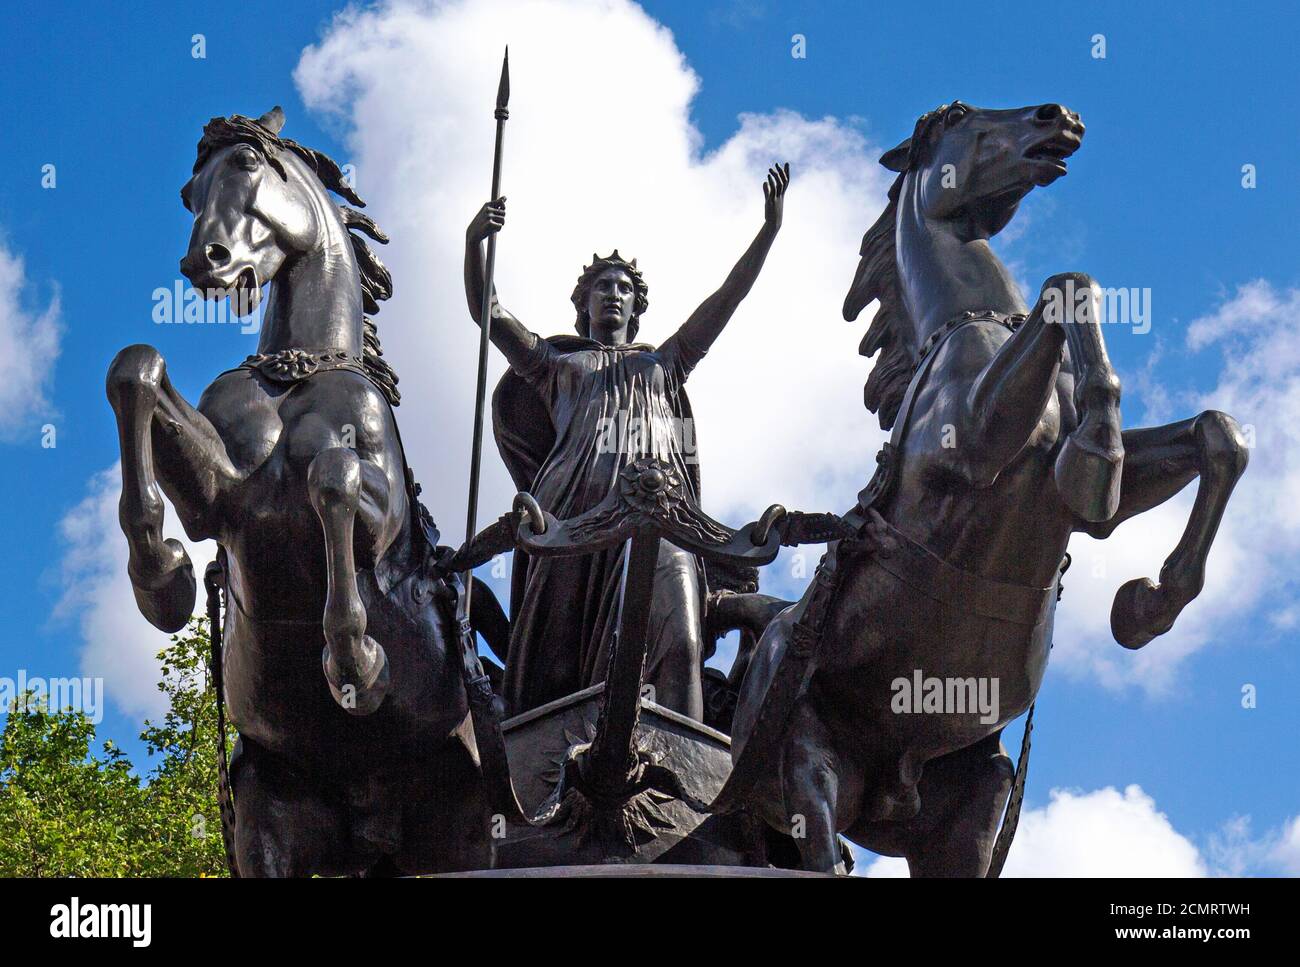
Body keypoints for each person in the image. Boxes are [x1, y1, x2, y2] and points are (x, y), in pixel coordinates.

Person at [464, 162, 790, 720]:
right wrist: (474, 242)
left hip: (661, 517)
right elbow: (488, 313)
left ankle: (680, 763)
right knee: (552, 665)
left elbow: (727, 298)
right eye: (601, 288)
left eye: (623, 289)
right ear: (583, 302)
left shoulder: (667, 361)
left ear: (637, 307)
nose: (612, 295)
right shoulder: (554, 365)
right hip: (572, 519)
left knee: (677, 635)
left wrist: (768, 231)